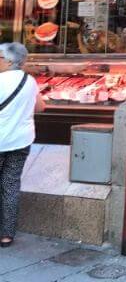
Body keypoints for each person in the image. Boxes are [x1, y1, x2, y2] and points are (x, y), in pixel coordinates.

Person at [0, 42, 45, 247]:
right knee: (10, 185)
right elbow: (41, 107)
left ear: (9, 61)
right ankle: (6, 235)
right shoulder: (30, 81)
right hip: (21, 141)